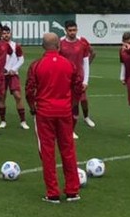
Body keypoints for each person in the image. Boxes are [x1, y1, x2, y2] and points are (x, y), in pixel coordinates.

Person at [25, 32, 85, 203]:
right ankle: (72, 191)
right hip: (64, 112)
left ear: (43, 46)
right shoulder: (69, 64)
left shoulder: (37, 65)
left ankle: (53, 192)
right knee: (68, 150)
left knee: (48, 152)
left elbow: (29, 90)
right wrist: (71, 103)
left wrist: (32, 107)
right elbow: (78, 86)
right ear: (59, 45)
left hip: (44, 113)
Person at [59, 20, 96, 136]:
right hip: (64, 78)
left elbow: (85, 61)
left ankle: (83, 119)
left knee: (81, 101)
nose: (72, 32)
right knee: (67, 103)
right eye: (70, 30)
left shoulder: (82, 43)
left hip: (78, 79)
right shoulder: (60, 42)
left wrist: (85, 80)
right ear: (65, 30)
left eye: (74, 30)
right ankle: (66, 127)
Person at [0, 25, 29, 130]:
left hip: (13, 75)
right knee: (2, 97)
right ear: (1, 35)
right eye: (4, 33)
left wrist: (13, 69)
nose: (6, 35)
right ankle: (3, 121)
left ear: (11, 34)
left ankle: (23, 121)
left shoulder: (16, 46)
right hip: (1, 75)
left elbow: (21, 59)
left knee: (18, 96)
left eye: (8, 33)